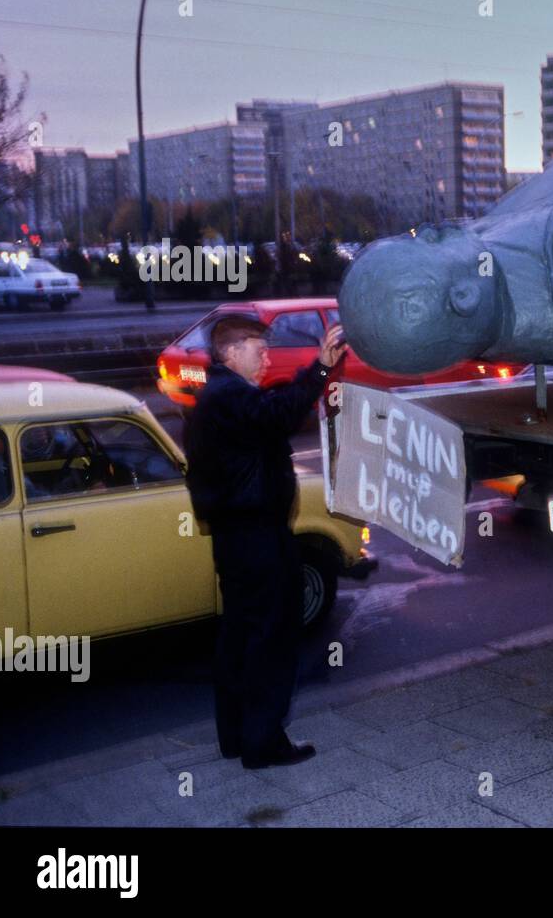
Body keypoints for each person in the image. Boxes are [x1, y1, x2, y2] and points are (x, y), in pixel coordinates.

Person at [184, 314, 347, 769]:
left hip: (237, 537)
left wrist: (314, 372)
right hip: (257, 536)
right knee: (271, 640)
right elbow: (278, 414)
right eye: (260, 349)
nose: (267, 357)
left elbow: (272, 408)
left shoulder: (218, 395)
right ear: (232, 352)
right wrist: (317, 368)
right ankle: (263, 743)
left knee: (240, 636)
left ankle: (237, 735)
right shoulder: (229, 396)